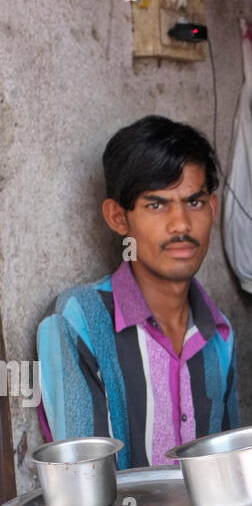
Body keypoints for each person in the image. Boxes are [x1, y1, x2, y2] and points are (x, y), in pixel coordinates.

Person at [37, 116, 237, 466]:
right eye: (156, 205)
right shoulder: (79, 321)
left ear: (213, 209)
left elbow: (229, 469)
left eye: (194, 202)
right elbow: (84, 486)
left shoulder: (219, 333)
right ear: (118, 218)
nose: (181, 224)